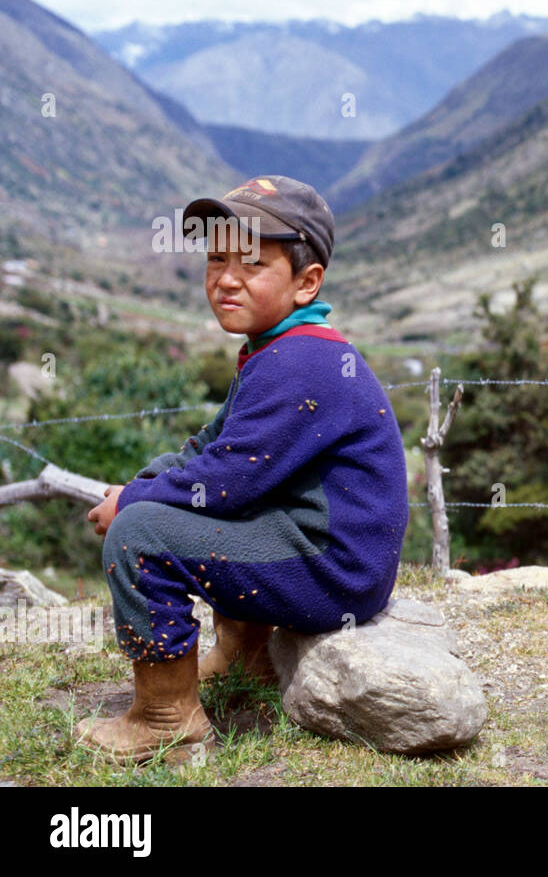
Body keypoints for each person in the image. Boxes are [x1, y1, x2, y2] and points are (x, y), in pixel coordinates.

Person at [78, 176, 410, 764]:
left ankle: (165, 718)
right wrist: (138, 485)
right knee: (174, 502)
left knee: (142, 536)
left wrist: (131, 508)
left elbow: (228, 479)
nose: (226, 278)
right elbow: (212, 445)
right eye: (216, 258)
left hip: (334, 569)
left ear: (307, 282)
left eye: (252, 263)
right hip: (325, 552)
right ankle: (247, 658)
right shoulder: (277, 346)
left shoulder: (301, 362)